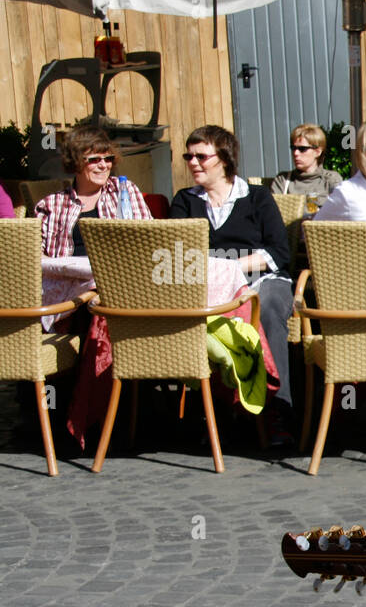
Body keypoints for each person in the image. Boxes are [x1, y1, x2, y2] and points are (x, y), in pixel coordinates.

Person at [169, 125, 294, 436]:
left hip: (260, 279)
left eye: (201, 156)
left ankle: (277, 410)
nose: (193, 162)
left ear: (223, 158)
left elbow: (279, 251)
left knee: (267, 309)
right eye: (189, 156)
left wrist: (233, 267)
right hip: (203, 286)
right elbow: (174, 251)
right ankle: (213, 411)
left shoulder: (257, 198)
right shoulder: (185, 201)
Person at [36, 124, 151, 259]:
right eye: (95, 159)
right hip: (67, 277)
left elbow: (147, 237)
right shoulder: (52, 204)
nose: (103, 165)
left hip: (116, 275)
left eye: (108, 159)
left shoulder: (123, 191)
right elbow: (35, 252)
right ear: (75, 161)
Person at [269, 123, 343, 201]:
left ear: (317, 152)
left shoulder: (331, 180)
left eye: (302, 149)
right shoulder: (283, 180)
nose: (295, 153)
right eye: (293, 148)